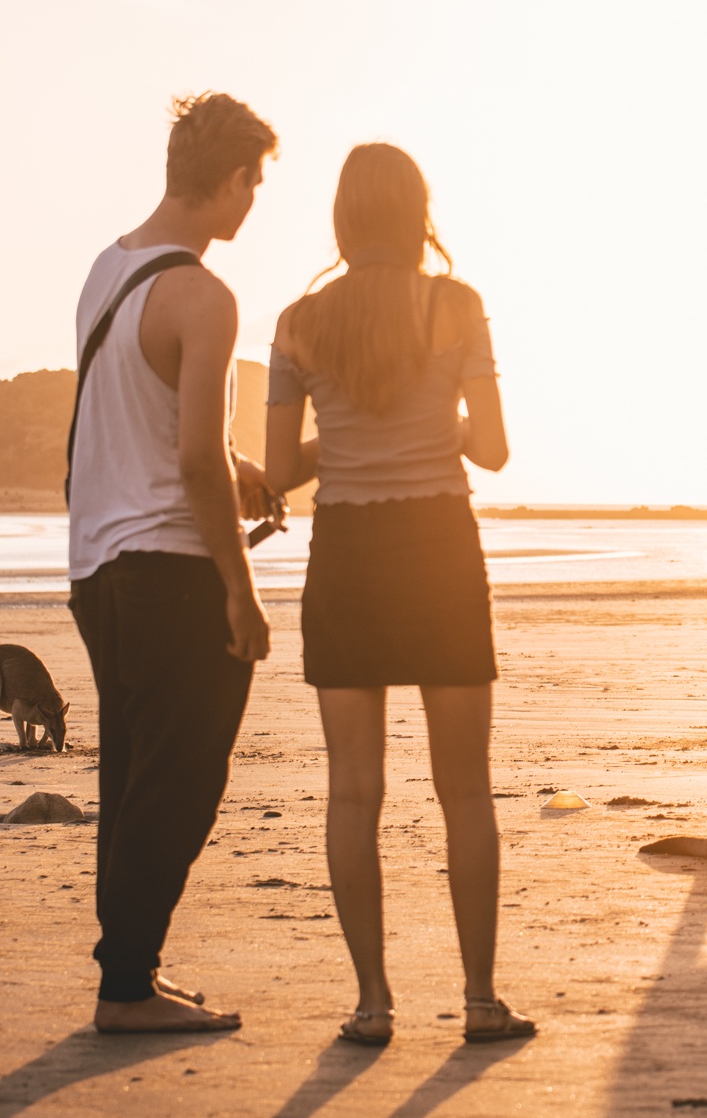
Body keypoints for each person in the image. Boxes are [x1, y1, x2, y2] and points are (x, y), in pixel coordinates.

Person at [264, 142, 533, 1045]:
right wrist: (435, 415)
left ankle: (372, 1004)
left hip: (347, 554)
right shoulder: (455, 305)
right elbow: (490, 449)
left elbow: (275, 472)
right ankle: (482, 1001)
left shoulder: (298, 323)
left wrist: (345, 435)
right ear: (417, 211)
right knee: (465, 791)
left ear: (342, 216)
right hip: (439, 549)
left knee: (353, 793)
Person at [67, 93, 279, 1034]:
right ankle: (126, 988)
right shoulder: (204, 294)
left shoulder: (107, 271)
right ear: (232, 178)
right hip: (172, 566)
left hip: (98, 567)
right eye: (257, 182)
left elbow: (150, 422)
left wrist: (236, 464)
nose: (255, 202)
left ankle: (129, 973)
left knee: (134, 771)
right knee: (183, 776)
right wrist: (242, 592)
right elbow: (191, 463)